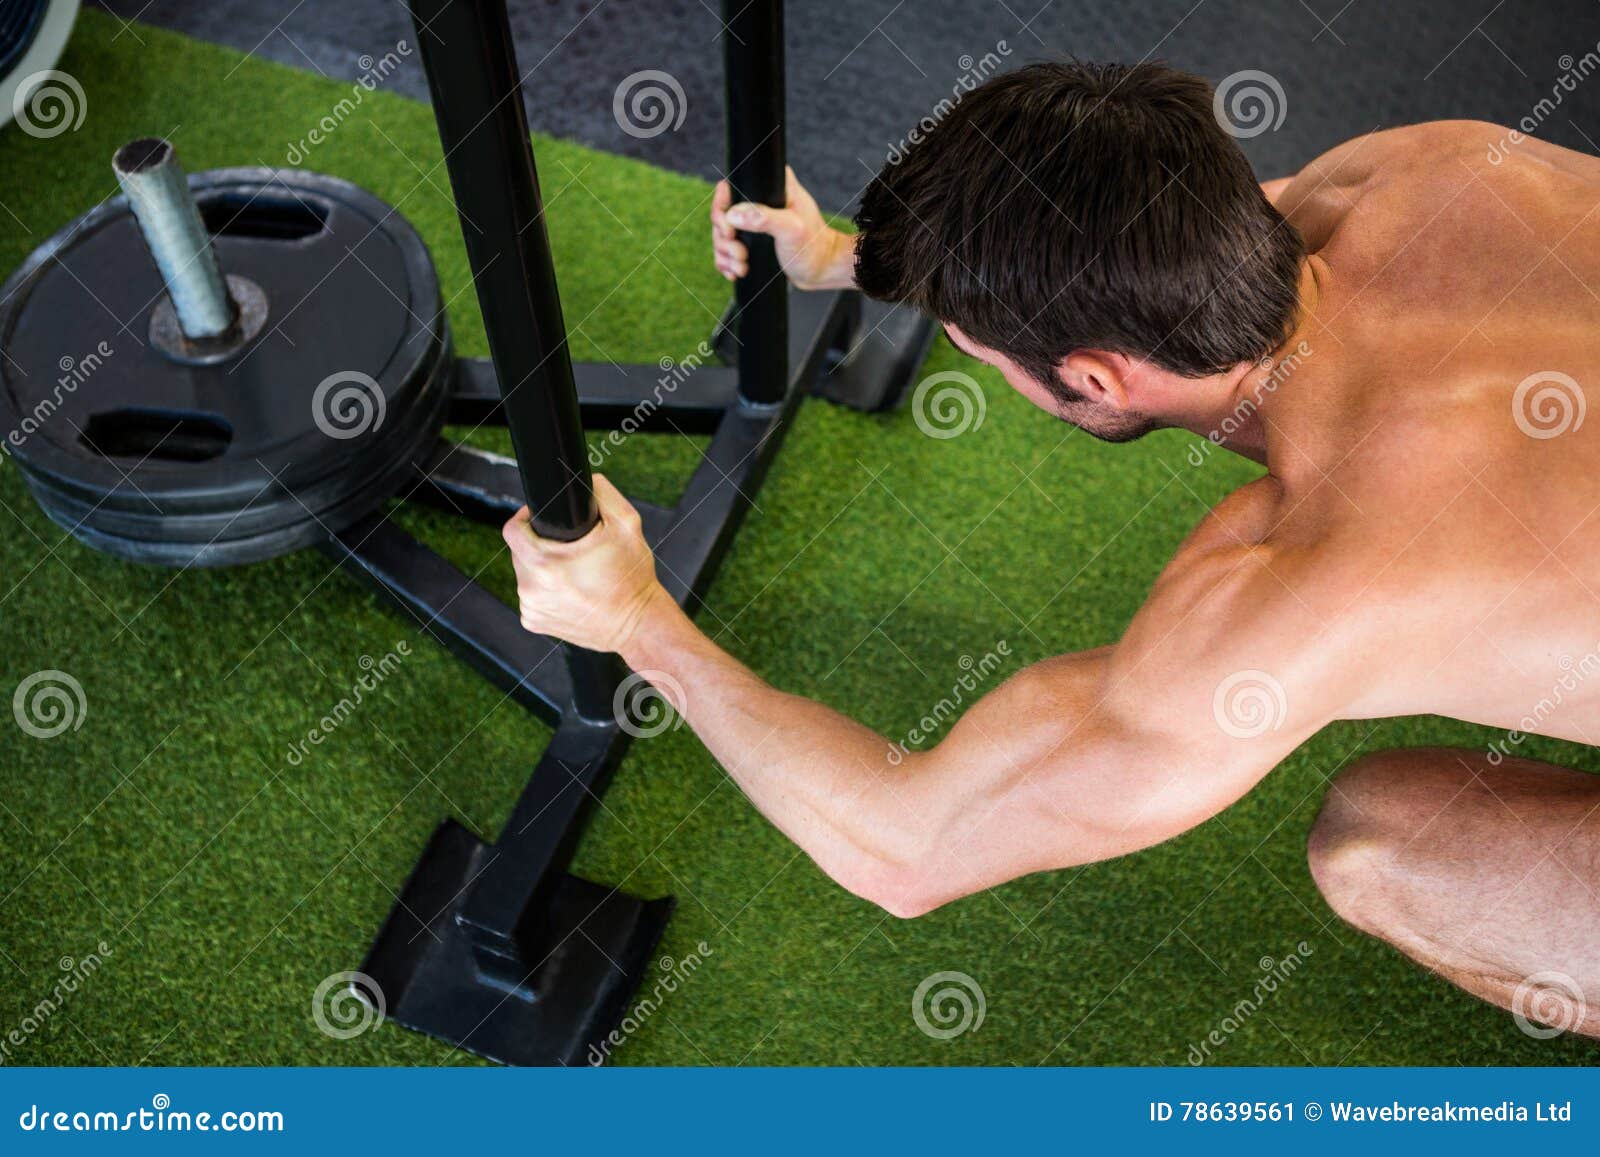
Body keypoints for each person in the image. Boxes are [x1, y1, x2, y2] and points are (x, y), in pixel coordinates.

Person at [502, 60, 1600, 1037]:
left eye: (980, 350)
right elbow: (1154, 250)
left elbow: (905, 846)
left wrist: (638, 621)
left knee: (1379, 840)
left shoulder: (1301, 589)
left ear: (1092, 379)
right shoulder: (1432, 168)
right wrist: (846, 260)